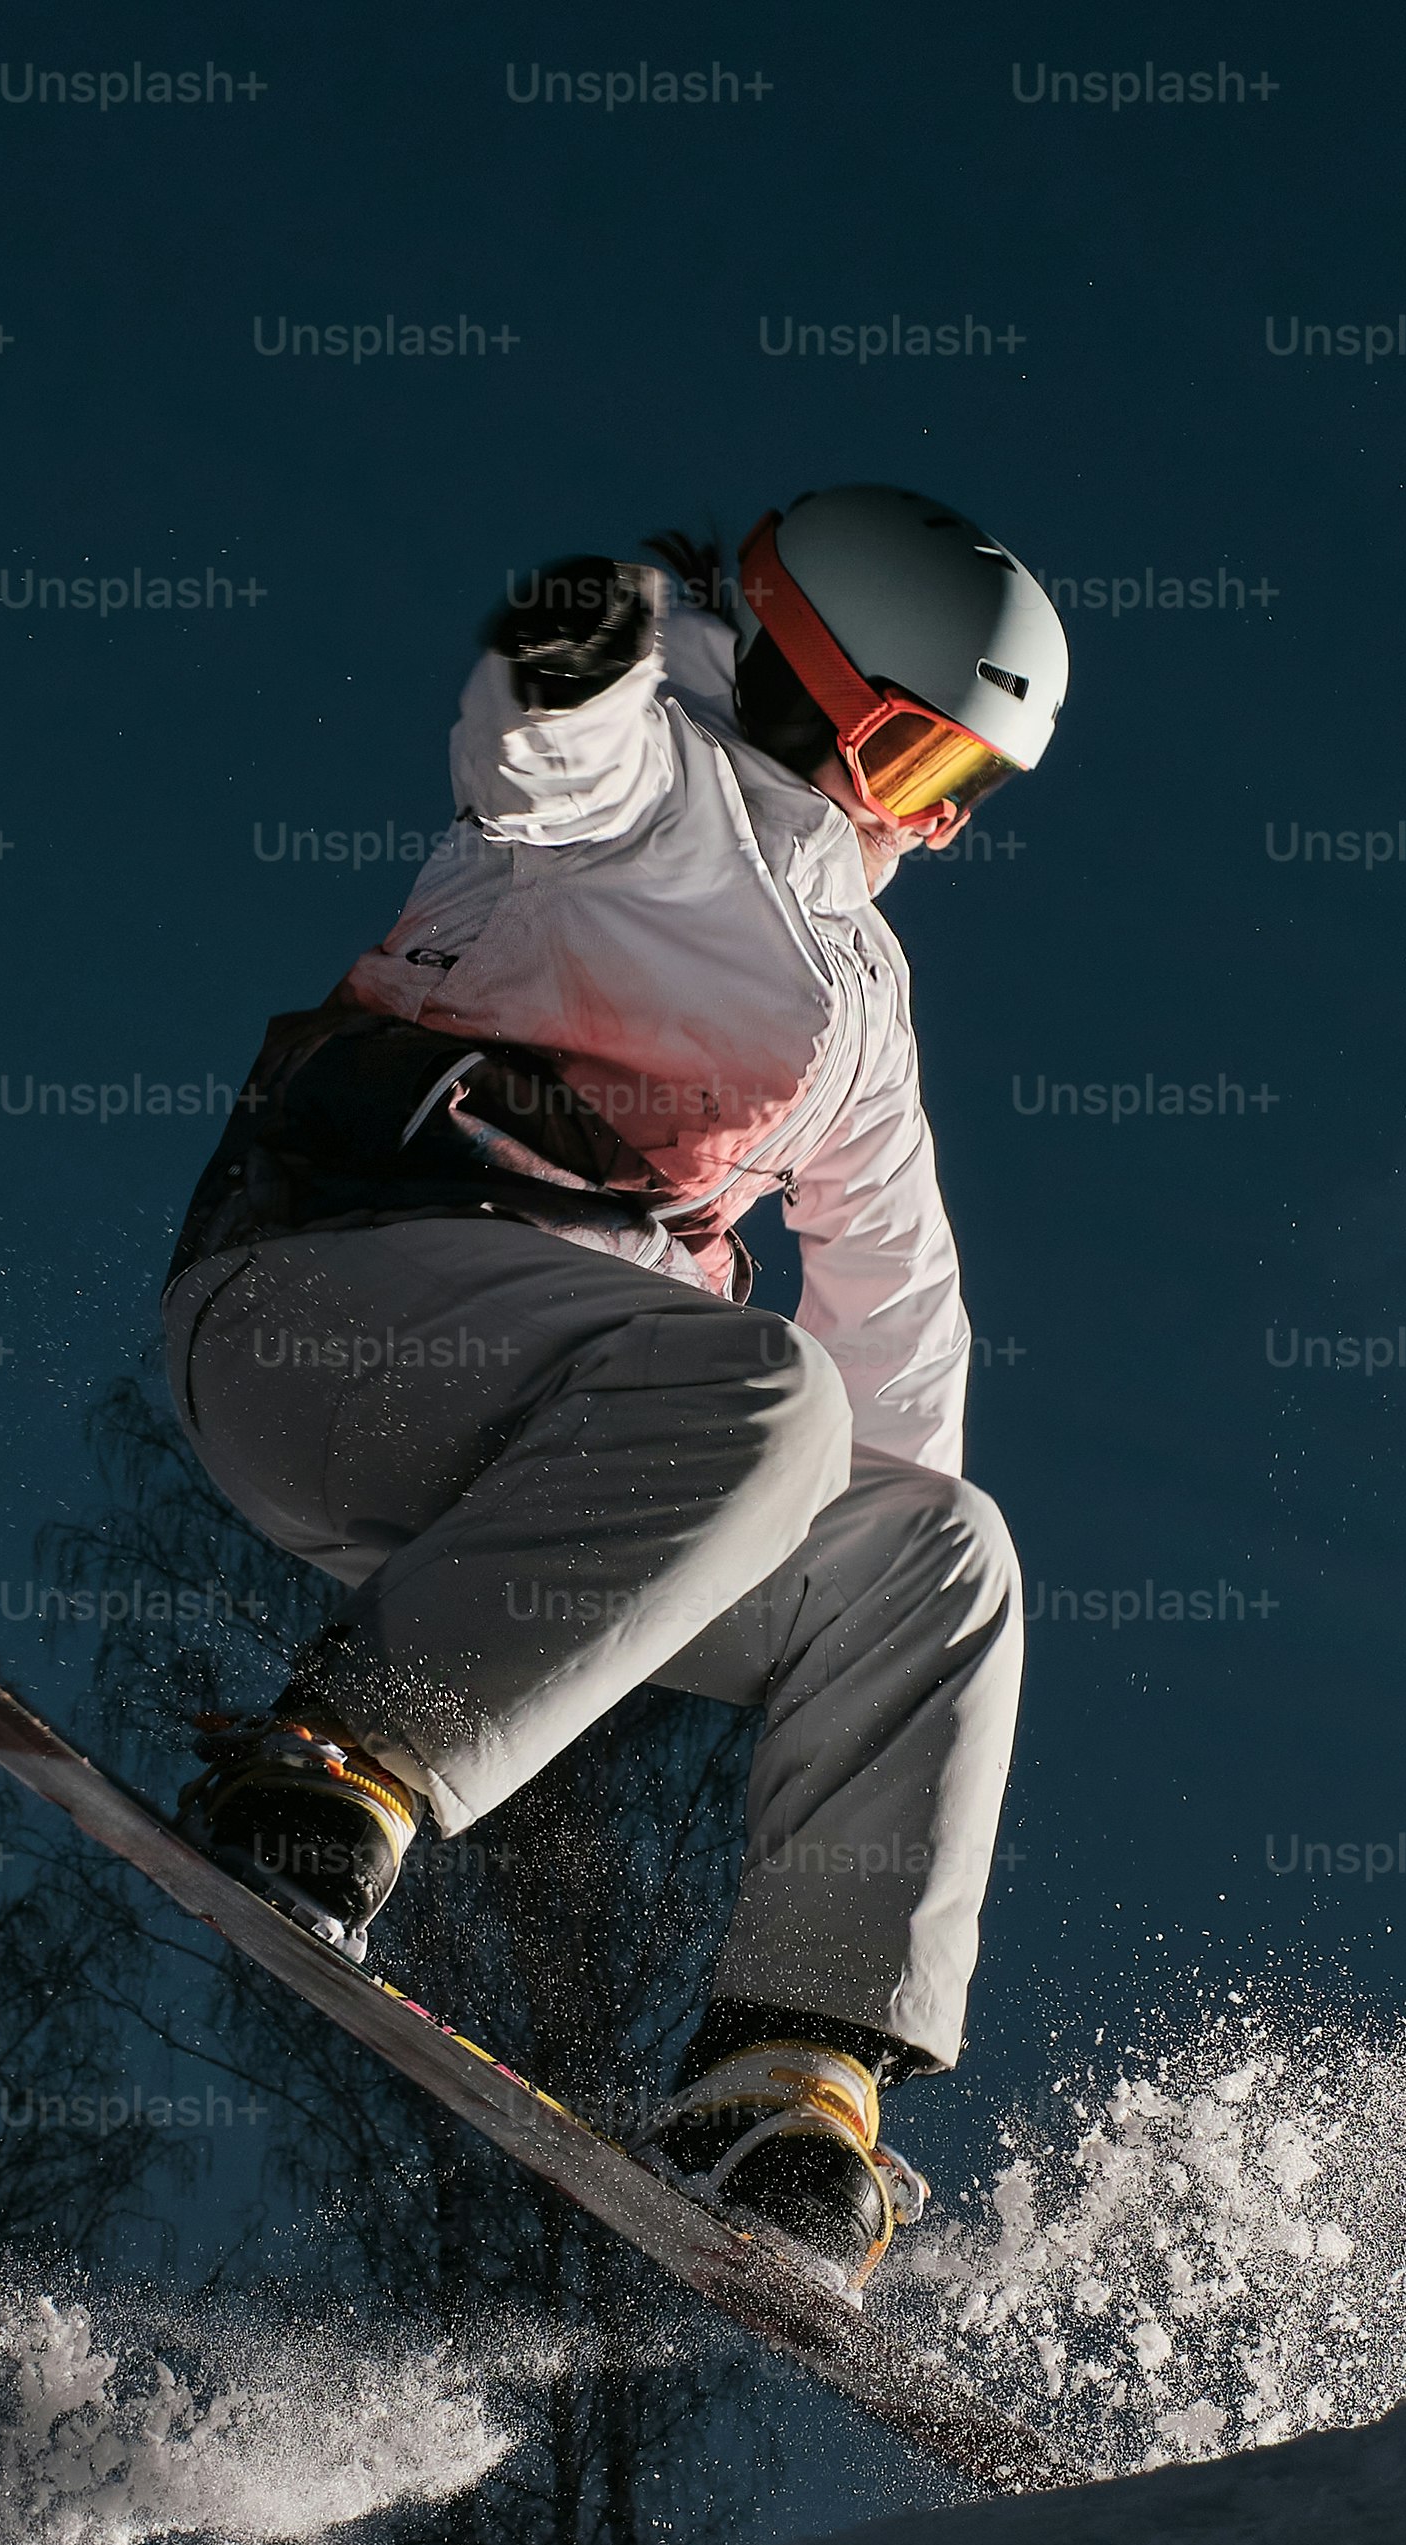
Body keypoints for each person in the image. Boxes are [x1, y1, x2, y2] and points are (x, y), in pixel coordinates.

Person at [150, 483, 1065, 2300]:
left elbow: (905, 1302)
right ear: (806, 675)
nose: (926, 827)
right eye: (910, 759)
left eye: (965, 794)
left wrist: (843, 1636)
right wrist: (579, 638)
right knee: (774, 1392)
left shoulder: (862, 991)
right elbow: (534, 756)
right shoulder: (658, 786)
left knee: (945, 1545)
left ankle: (790, 2068)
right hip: (322, 1313)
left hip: (576, 1443)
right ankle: (343, 1761)